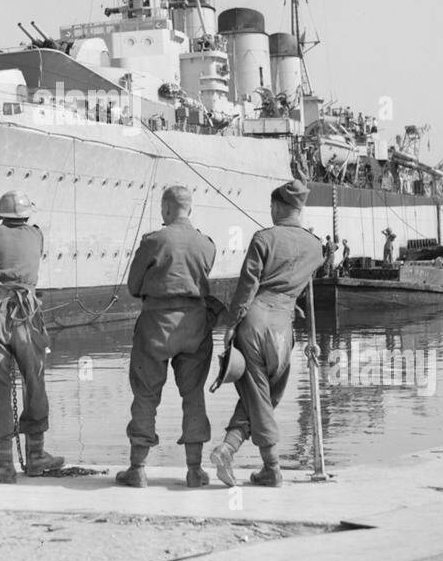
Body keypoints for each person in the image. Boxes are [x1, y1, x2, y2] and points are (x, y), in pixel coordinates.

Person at [208, 181, 323, 489]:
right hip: (284, 329)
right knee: (264, 397)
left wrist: (231, 323)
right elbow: (295, 283)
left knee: (257, 394)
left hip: (254, 323)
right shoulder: (315, 246)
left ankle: (260, 462)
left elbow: (248, 287)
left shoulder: (263, 238)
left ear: (276, 207)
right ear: (300, 210)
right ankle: (239, 454)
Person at [116, 185, 217, 489]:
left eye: (162, 209)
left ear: (167, 208)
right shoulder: (206, 244)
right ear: (190, 208)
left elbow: (134, 286)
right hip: (195, 326)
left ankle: (138, 469)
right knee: (193, 394)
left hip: (156, 326)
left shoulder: (153, 240)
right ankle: (195, 471)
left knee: (146, 394)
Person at [0, 191, 63, 483]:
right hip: (27, 314)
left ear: (0, 214)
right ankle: (36, 456)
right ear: (26, 215)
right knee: (34, 379)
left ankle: (5, 464)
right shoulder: (36, 236)